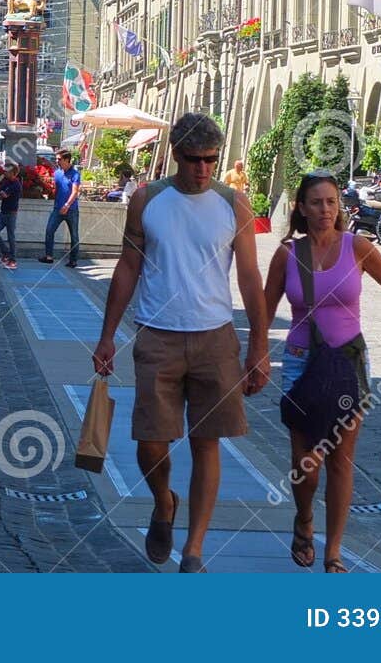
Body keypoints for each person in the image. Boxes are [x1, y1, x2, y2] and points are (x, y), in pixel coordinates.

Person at [92, 113, 270, 573]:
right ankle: (164, 501)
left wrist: (259, 347)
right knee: (151, 441)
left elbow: (250, 278)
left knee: (206, 443)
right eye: (194, 160)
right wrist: (107, 335)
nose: (204, 169)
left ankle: (193, 549)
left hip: (216, 338)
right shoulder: (148, 200)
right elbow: (128, 266)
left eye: (211, 160)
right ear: (176, 155)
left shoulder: (235, 204)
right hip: (157, 334)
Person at [263, 171, 381, 572]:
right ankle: (304, 518)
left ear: (340, 207)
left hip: (349, 364)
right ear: (301, 208)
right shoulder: (288, 255)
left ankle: (333, 551)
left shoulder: (358, 247)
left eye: (331, 202)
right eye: (316, 202)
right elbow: (264, 311)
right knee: (306, 464)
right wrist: (257, 357)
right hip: (302, 364)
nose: (325, 210)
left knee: (340, 458)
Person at [41, 149, 83, 267]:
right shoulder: (57, 172)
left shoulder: (75, 174)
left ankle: (73, 260)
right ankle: (49, 256)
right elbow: (56, 189)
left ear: (66, 160)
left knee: (74, 235)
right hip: (57, 208)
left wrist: (67, 205)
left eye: (59, 159)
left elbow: (75, 192)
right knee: (49, 230)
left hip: (71, 209)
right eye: (56, 159)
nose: (57, 161)